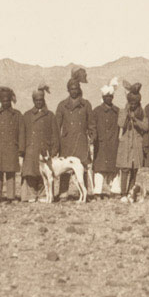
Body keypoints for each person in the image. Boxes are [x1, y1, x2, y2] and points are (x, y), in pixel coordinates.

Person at [55, 67, 94, 201]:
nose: (74, 90)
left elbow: (91, 124)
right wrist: (56, 143)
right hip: (66, 142)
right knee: (65, 167)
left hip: (81, 141)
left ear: (79, 89)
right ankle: (63, 192)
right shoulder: (61, 106)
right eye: (71, 88)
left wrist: (92, 135)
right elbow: (56, 126)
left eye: (76, 88)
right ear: (68, 90)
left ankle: (83, 193)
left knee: (81, 166)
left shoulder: (86, 105)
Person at [22, 84, 58, 203]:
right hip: (31, 149)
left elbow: (55, 134)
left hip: (45, 149)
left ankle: (44, 194)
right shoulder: (27, 115)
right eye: (36, 100)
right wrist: (22, 150)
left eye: (41, 100)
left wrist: (54, 149)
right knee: (31, 172)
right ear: (33, 101)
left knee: (45, 173)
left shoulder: (50, 115)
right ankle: (32, 194)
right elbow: (23, 134)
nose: (39, 102)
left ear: (44, 100)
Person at [0, 86, 24, 204]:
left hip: (12, 148)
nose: (5, 103)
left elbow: (21, 133)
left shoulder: (17, 115)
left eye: (7, 101)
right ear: (0, 101)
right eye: (3, 101)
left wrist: (21, 150)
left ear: (10, 101)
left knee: (11, 173)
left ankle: (11, 196)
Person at [116, 81, 148, 202]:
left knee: (134, 169)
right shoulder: (123, 111)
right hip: (125, 144)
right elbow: (120, 124)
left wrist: (136, 121)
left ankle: (131, 192)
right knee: (124, 169)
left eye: (135, 103)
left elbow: (145, 127)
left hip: (137, 144)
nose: (133, 105)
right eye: (131, 103)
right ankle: (123, 193)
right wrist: (126, 111)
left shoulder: (142, 112)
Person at [92, 78, 121, 198]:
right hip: (101, 144)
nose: (108, 98)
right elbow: (93, 126)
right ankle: (97, 192)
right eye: (106, 96)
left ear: (113, 97)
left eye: (110, 96)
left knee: (114, 168)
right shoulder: (97, 111)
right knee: (99, 169)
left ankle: (115, 190)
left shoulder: (117, 111)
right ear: (102, 97)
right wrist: (93, 138)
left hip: (114, 144)